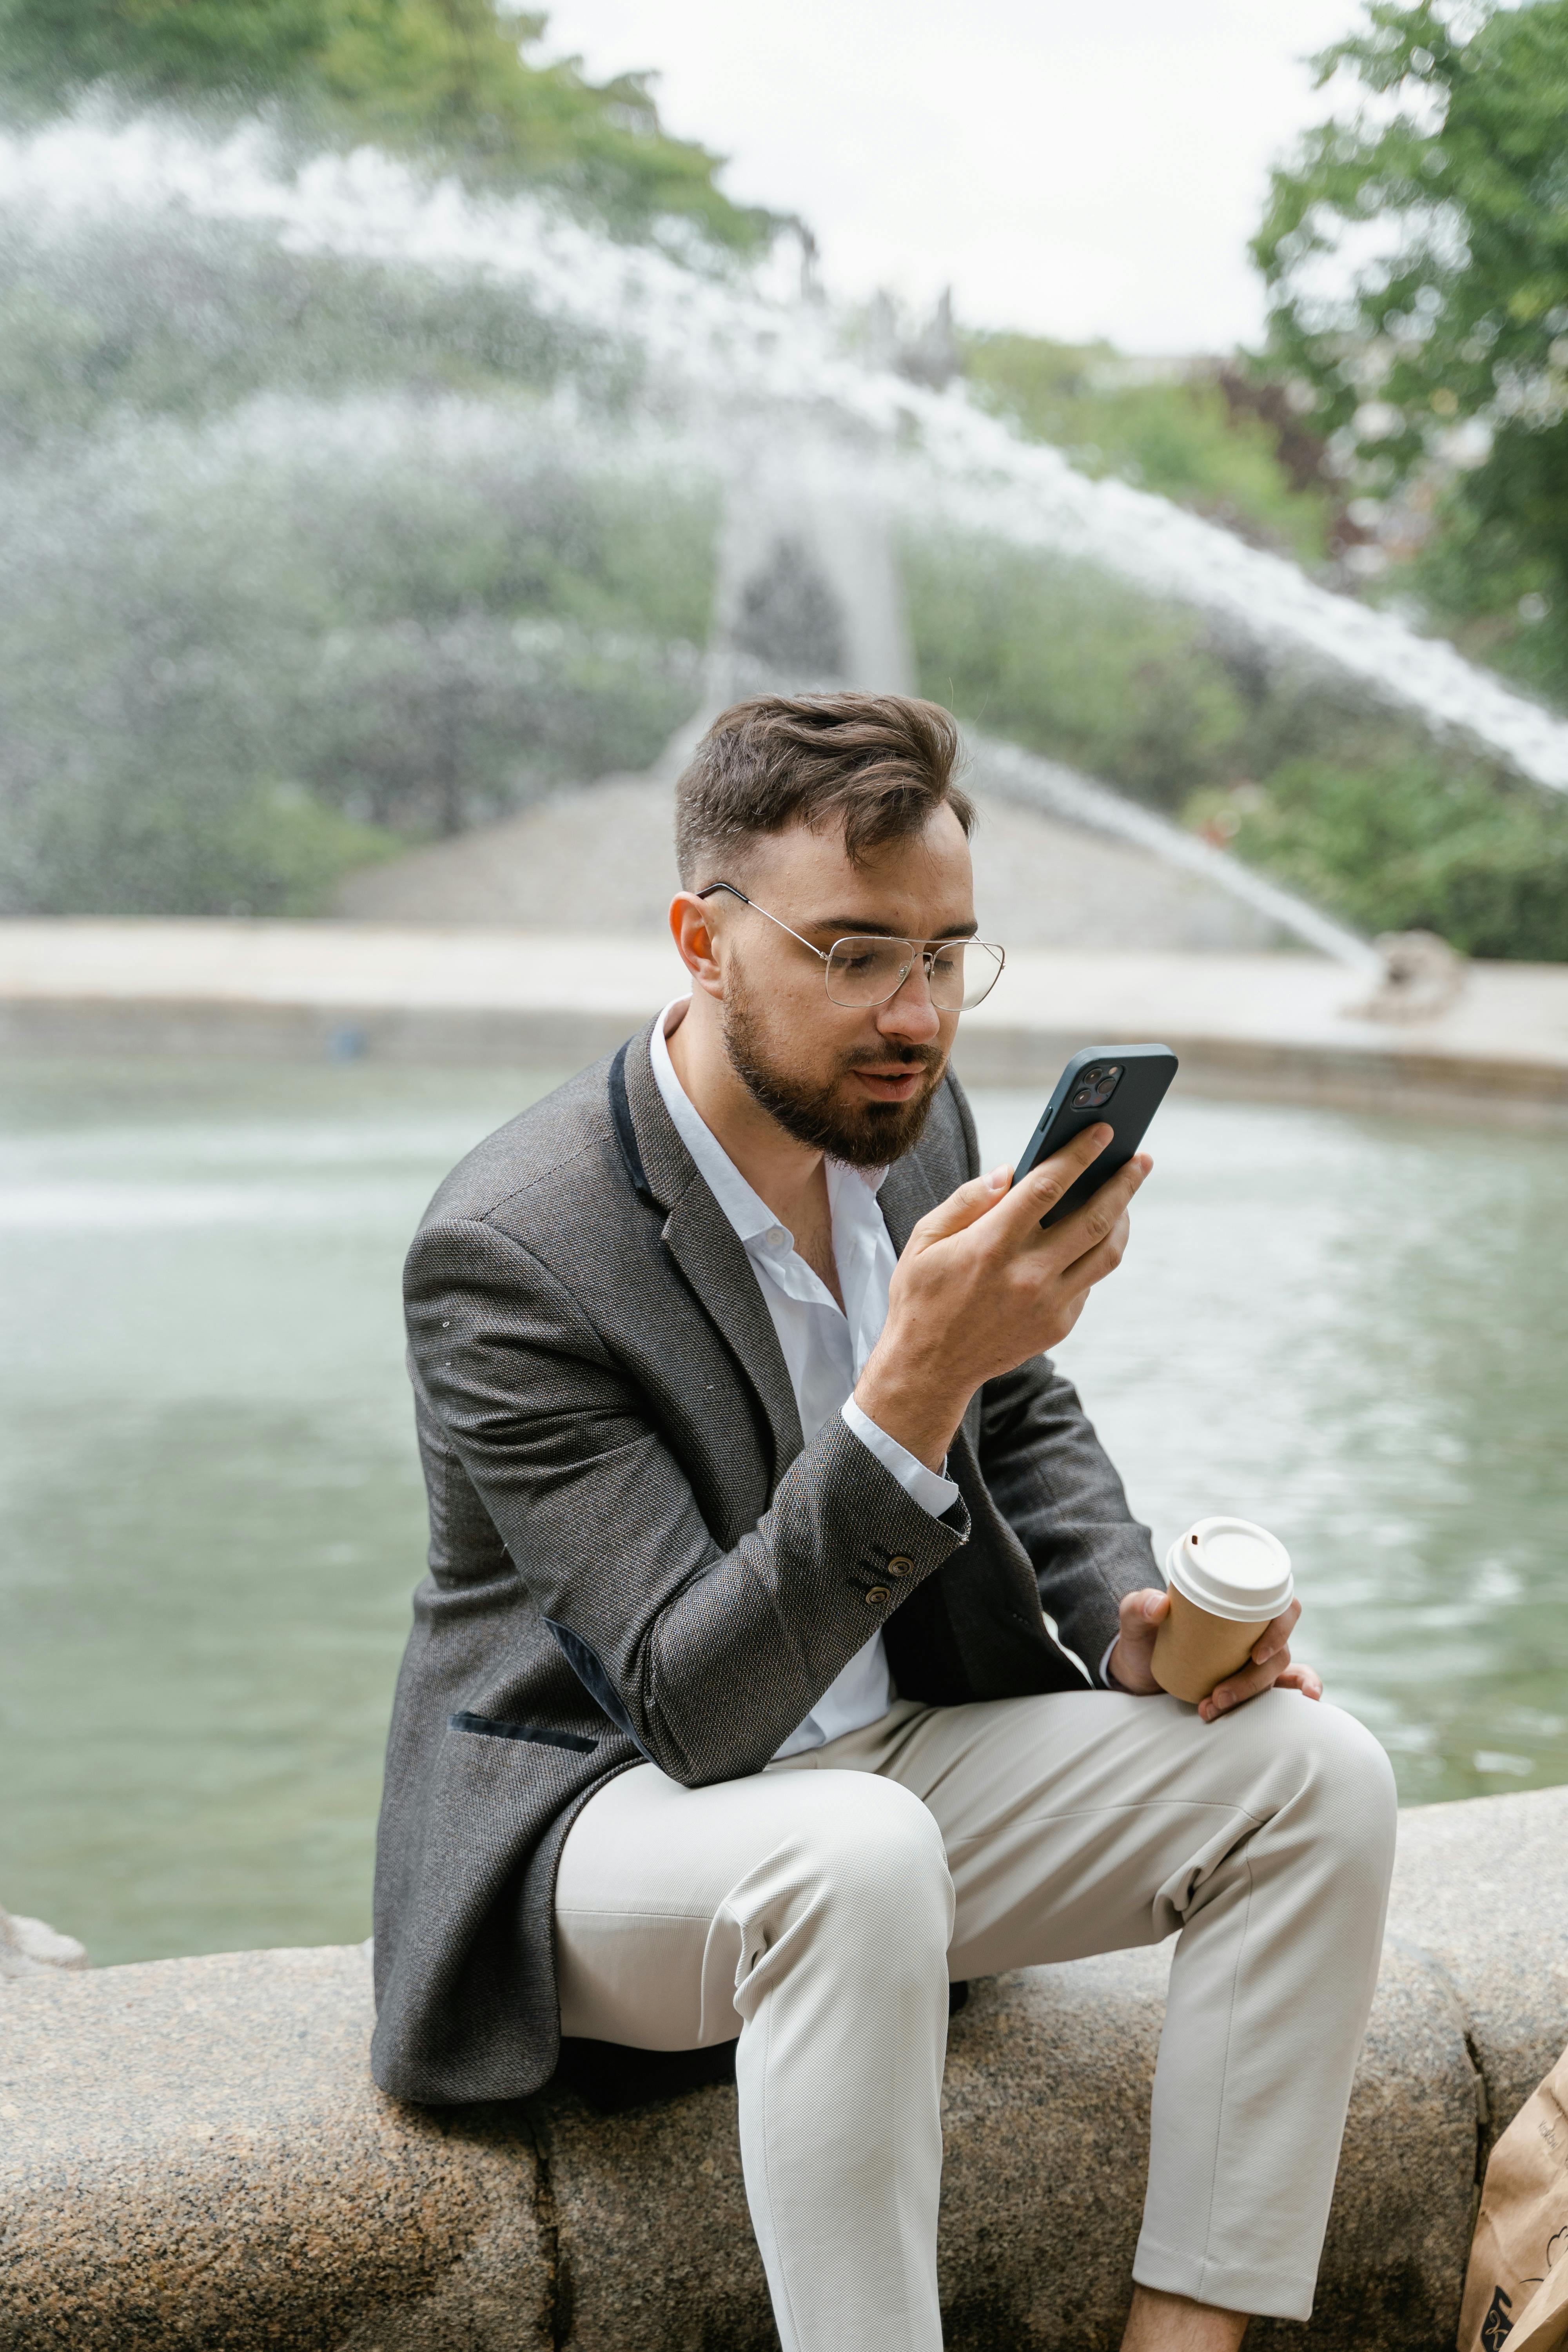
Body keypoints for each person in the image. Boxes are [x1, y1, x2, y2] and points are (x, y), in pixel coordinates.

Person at [370, 692, 1397, 2352]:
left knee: (1314, 1776)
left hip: (896, 1766)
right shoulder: (513, 1251)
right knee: (850, 1855)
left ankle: (1188, 2336)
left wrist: (1129, 1607)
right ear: (703, 941)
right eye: (852, 954)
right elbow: (690, 1706)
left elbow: (1025, 1410)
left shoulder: (922, 1130)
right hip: (607, 1820)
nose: (913, 1014)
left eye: (945, 955)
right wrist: (908, 1382)